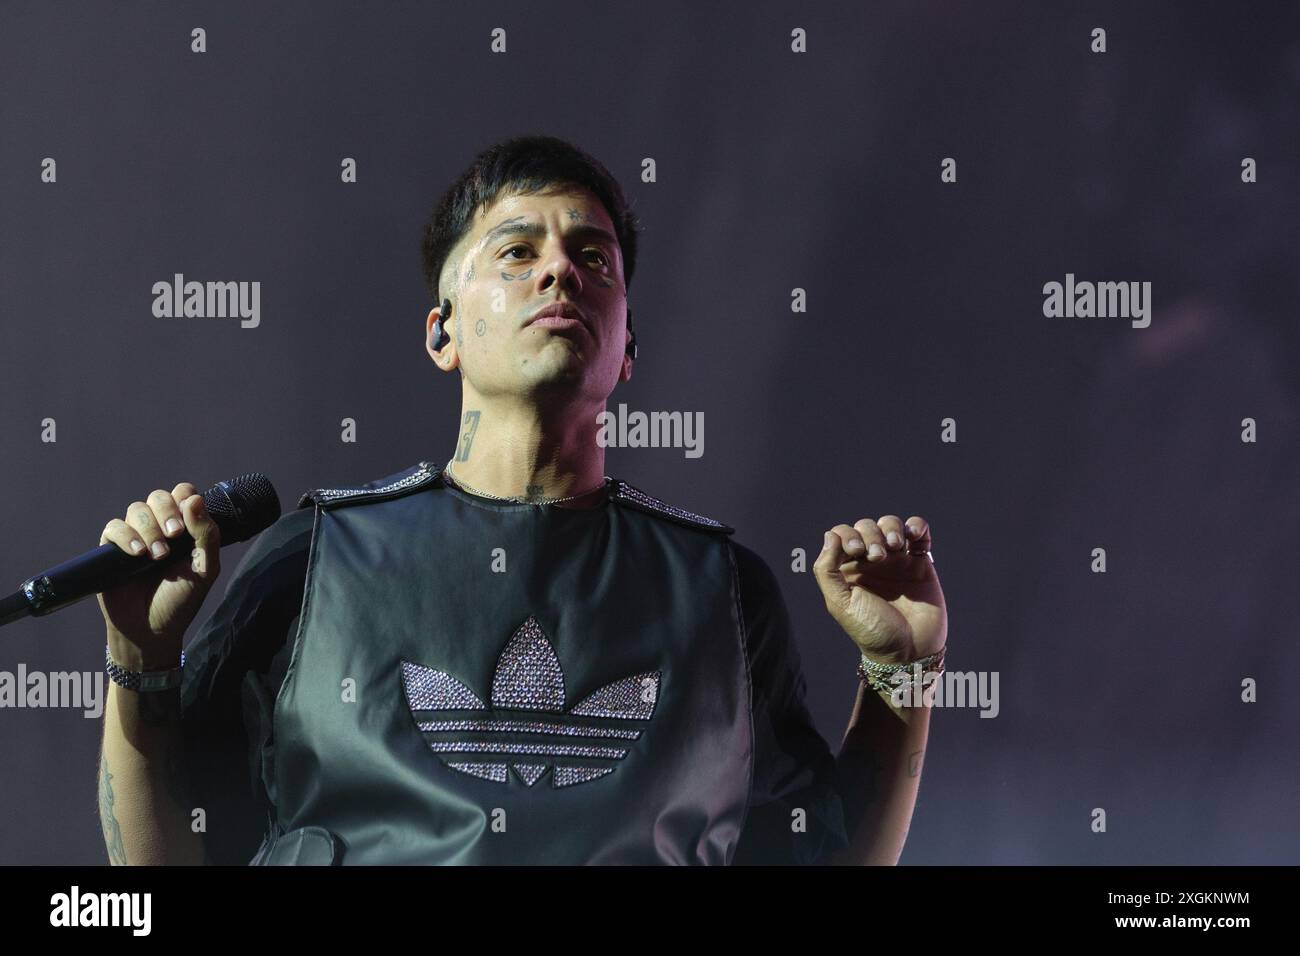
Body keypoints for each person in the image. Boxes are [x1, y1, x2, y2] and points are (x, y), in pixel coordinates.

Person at [94, 134, 948, 865]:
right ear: (444, 332)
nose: (559, 275)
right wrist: (139, 659)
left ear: (627, 355)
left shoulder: (722, 590)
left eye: (592, 257)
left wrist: (904, 675)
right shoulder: (312, 562)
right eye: (516, 252)